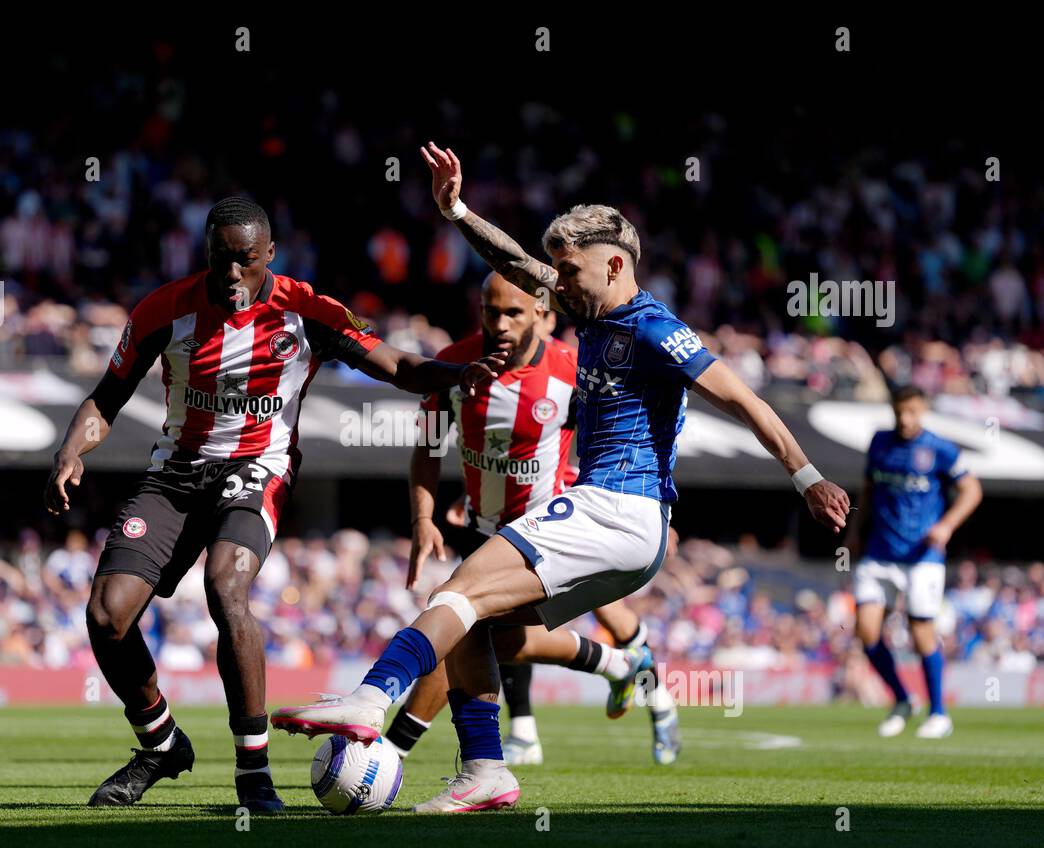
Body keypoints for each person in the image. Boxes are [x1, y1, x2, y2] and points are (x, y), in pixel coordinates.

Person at [272, 143, 849, 813]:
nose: (557, 284)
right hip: (620, 521)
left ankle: (369, 702)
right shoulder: (592, 310)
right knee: (480, 626)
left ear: (614, 264)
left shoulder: (659, 330)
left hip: (618, 507)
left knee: (458, 590)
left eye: (569, 272)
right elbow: (515, 263)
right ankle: (487, 771)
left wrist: (807, 476)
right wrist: (457, 209)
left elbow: (744, 400)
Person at [44, 196, 501, 812]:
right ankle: (161, 743)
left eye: (245, 261)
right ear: (203, 252)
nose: (232, 275)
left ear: (269, 256)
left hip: (260, 469)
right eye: (219, 260)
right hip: (175, 474)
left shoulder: (306, 309)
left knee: (225, 586)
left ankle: (253, 773)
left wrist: (456, 373)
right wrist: (72, 451)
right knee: (106, 615)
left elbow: (394, 364)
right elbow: (106, 398)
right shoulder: (163, 309)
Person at [387, 271, 679, 768]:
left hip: (549, 529)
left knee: (464, 625)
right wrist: (425, 517)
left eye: (513, 312)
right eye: (489, 311)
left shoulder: (572, 372)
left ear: (544, 317)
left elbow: (617, 440)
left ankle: (393, 749)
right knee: (486, 633)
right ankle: (608, 673)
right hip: (483, 526)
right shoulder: (454, 364)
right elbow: (430, 446)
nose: (498, 324)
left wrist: (643, 502)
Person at [844, 385, 982, 739]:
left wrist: (947, 525)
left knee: (921, 631)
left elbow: (972, 489)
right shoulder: (880, 443)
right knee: (866, 631)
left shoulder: (940, 449)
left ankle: (939, 712)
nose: (905, 419)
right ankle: (903, 699)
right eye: (899, 412)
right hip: (879, 551)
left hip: (923, 556)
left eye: (912, 412)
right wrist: (854, 533)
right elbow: (869, 488)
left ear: (922, 410)